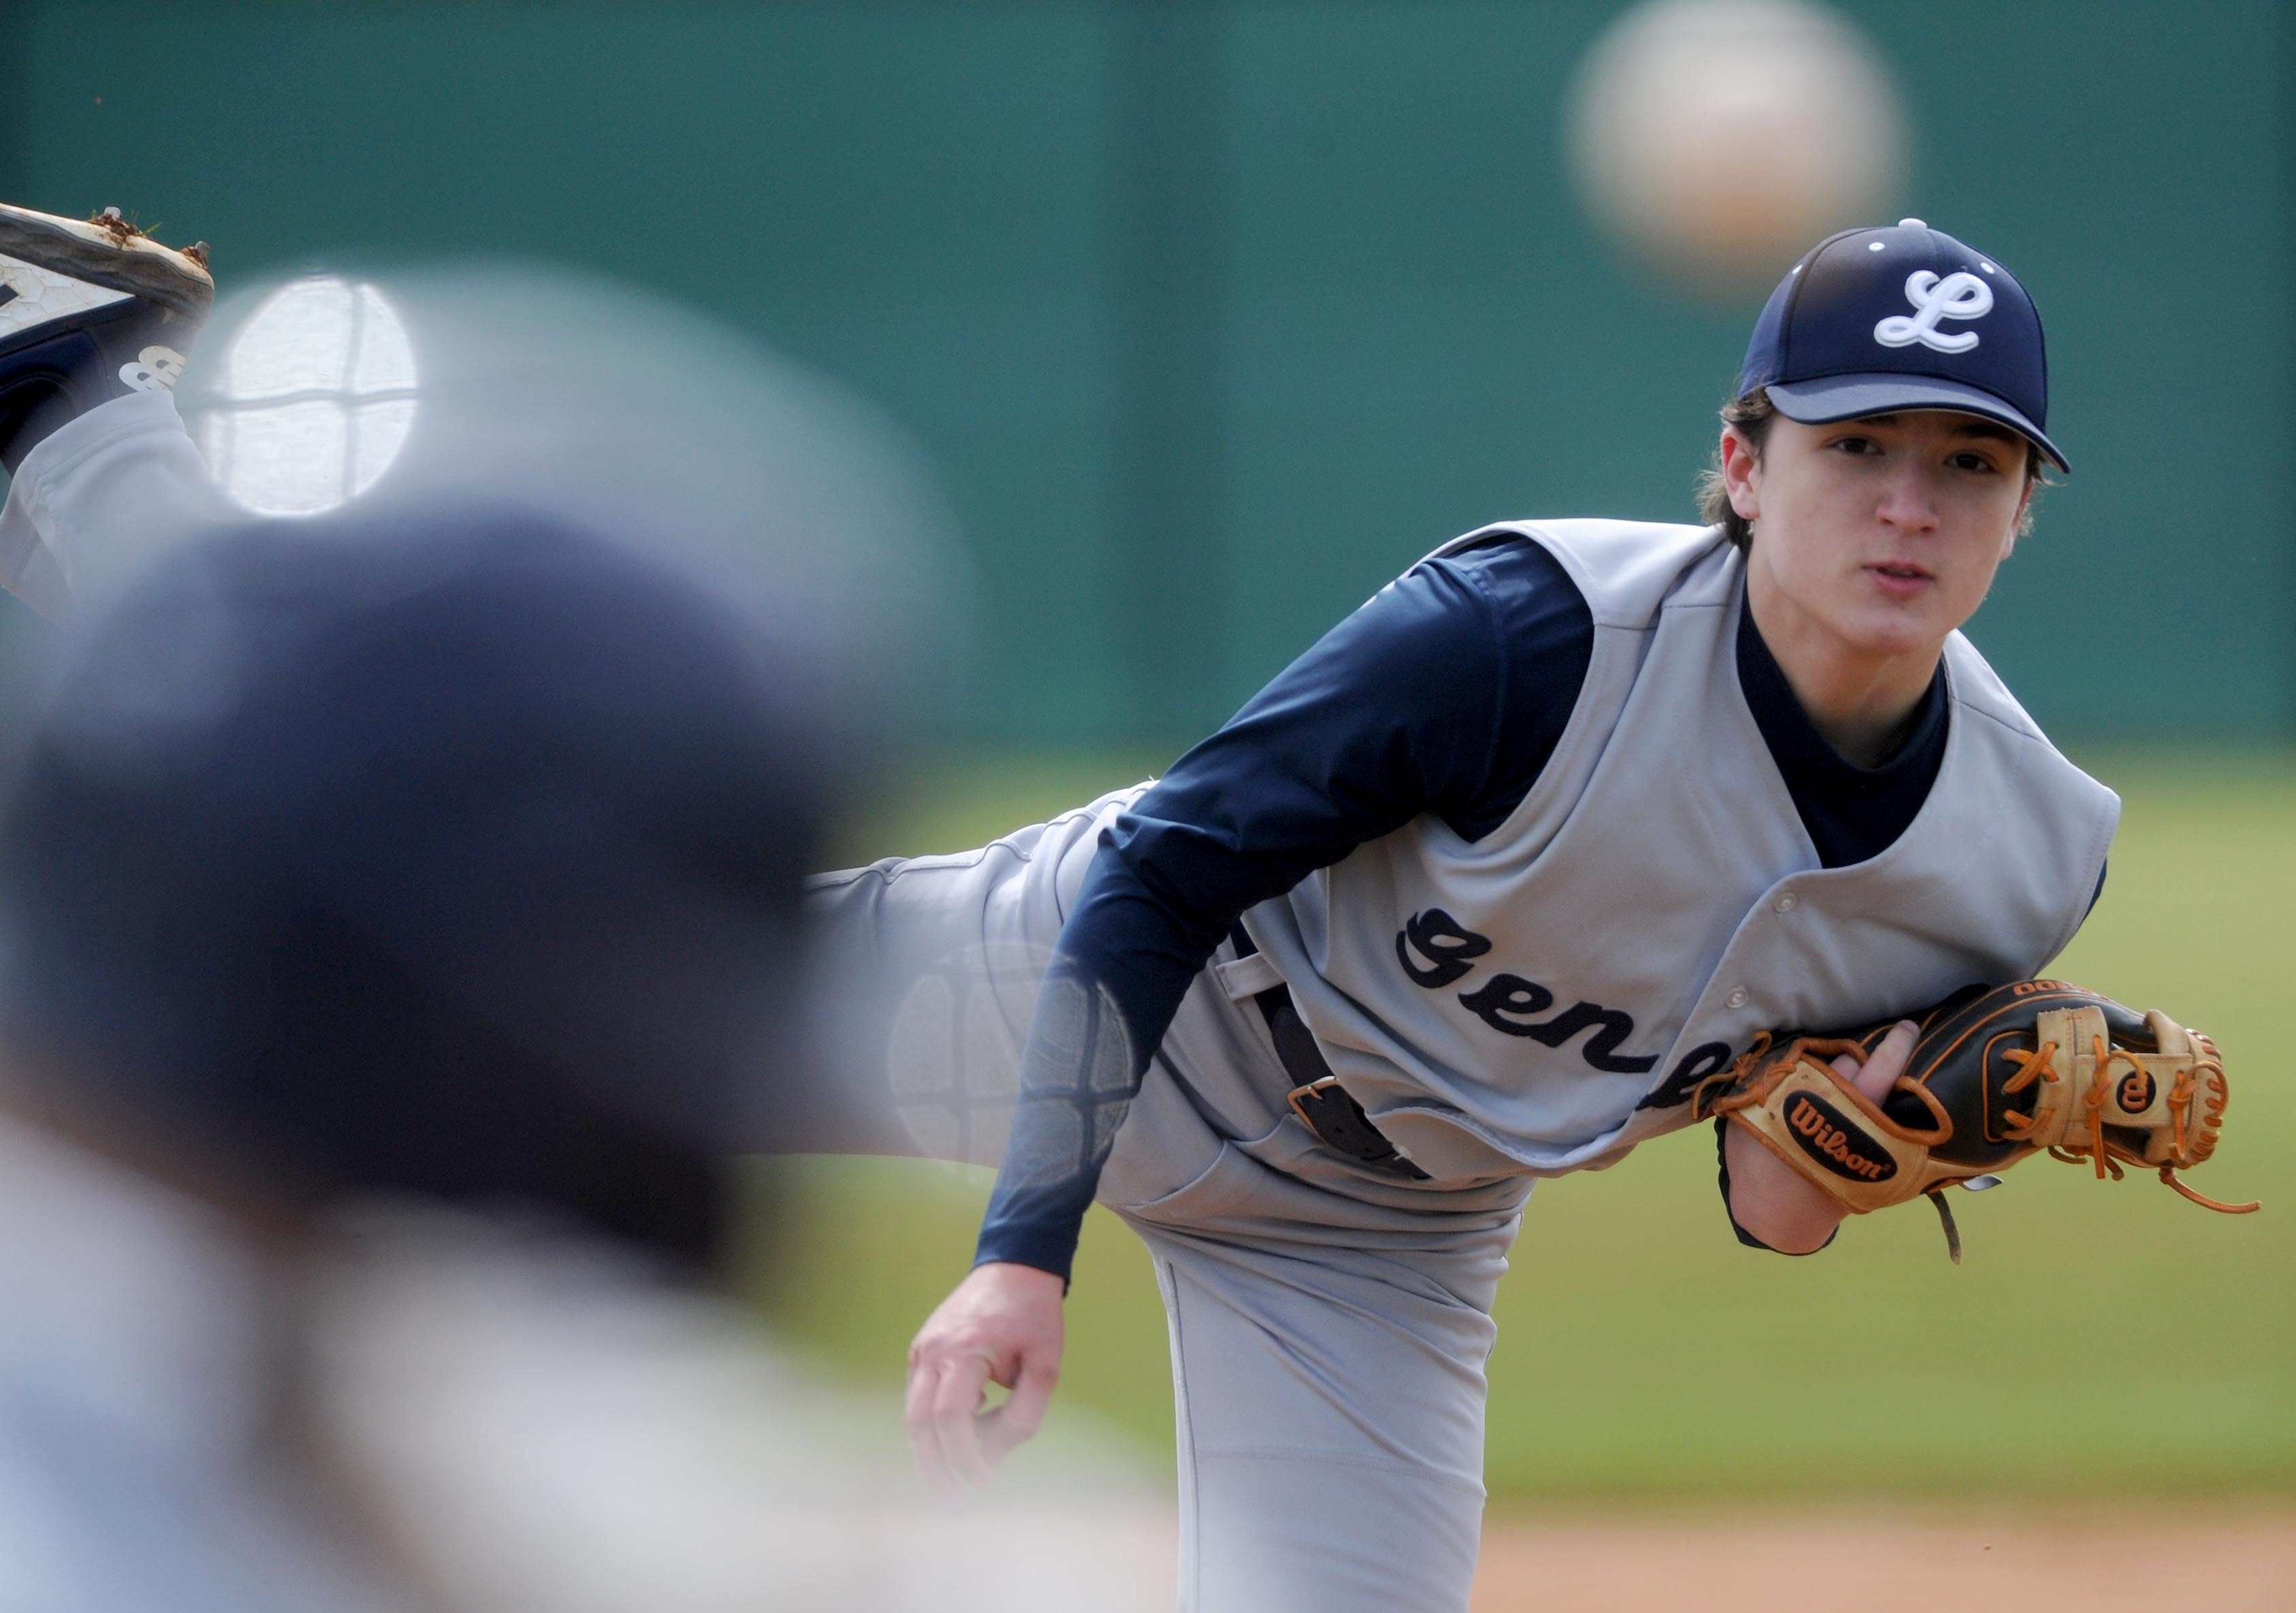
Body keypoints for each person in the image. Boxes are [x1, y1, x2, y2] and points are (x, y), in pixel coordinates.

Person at [0, 203, 2116, 1611]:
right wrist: (1022, 1251)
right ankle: (90, 415)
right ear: (1743, 461)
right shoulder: (1524, 634)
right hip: (1103, 991)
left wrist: (1838, 1147)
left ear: (2029, 513)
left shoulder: (2025, 851)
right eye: (1858, 449)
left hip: (1387, 1229)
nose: (1909, 505)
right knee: (489, 950)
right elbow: (1167, 871)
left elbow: (1767, 1190)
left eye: (1968, 462)